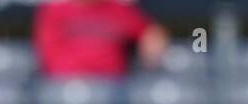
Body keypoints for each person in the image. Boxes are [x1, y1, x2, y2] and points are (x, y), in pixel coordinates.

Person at [33, 0, 167, 78]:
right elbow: (47, 54)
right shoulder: (55, 10)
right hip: (65, 85)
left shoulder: (117, 9)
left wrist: (151, 48)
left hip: (111, 88)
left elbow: (149, 32)